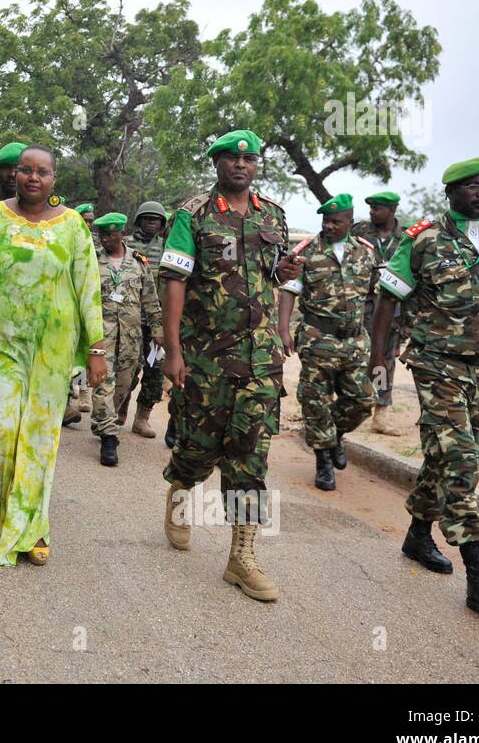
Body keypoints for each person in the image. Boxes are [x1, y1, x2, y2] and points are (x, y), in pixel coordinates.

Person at [370, 156, 479, 613]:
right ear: (450, 192)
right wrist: (379, 363)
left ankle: (416, 536)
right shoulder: (423, 240)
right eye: (473, 187)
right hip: (437, 366)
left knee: (442, 456)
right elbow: (387, 302)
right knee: (462, 459)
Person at [0, 146, 107, 566]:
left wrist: (97, 348)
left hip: (52, 351)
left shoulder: (73, 226)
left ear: (54, 178)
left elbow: (89, 287)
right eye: (26, 171)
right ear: (14, 175)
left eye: (43, 172)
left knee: (38, 439)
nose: (34, 178)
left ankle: (31, 526)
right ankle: (1, 506)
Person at [158, 129, 303, 602]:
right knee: (199, 448)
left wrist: (284, 302)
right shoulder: (193, 214)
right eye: (230, 159)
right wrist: (173, 350)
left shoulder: (274, 216)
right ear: (217, 163)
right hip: (204, 358)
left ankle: (242, 557)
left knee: (249, 457)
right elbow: (175, 280)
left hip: (259, 360)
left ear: (257, 165)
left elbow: (279, 276)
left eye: (249, 159)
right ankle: (181, 489)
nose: (240, 166)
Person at [277, 193, 374, 491]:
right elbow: (290, 290)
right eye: (325, 220)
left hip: (355, 341)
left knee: (361, 401)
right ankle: (323, 462)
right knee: (315, 401)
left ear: (350, 222)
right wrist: (283, 328)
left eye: (336, 221)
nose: (329, 226)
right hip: (318, 338)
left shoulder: (366, 253)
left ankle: (334, 437)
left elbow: (374, 296)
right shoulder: (307, 252)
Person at [90, 213, 161, 467]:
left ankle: (104, 419)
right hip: (101, 335)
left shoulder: (139, 262)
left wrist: (156, 327)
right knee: (103, 382)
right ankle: (109, 436)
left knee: (124, 383)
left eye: (111, 234)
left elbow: (150, 298)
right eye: (103, 235)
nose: (107, 239)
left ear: (122, 234)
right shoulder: (92, 260)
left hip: (131, 335)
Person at [352, 191, 406, 435]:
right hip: (361, 302)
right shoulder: (359, 231)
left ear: (392, 210)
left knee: (384, 360)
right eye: (371, 208)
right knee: (354, 354)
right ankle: (350, 404)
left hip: (391, 306)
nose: (373, 212)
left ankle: (380, 413)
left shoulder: (406, 238)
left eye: (378, 208)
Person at [127, 200, 168, 438]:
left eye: (156, 219)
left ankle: (142, 418)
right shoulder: (126, 245)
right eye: (147, 218)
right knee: (127, 369)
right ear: (139, 220)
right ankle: (121, 407)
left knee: (154, 371)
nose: (151, 222)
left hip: (156, 322)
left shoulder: (167, 248)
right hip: (128, 317)